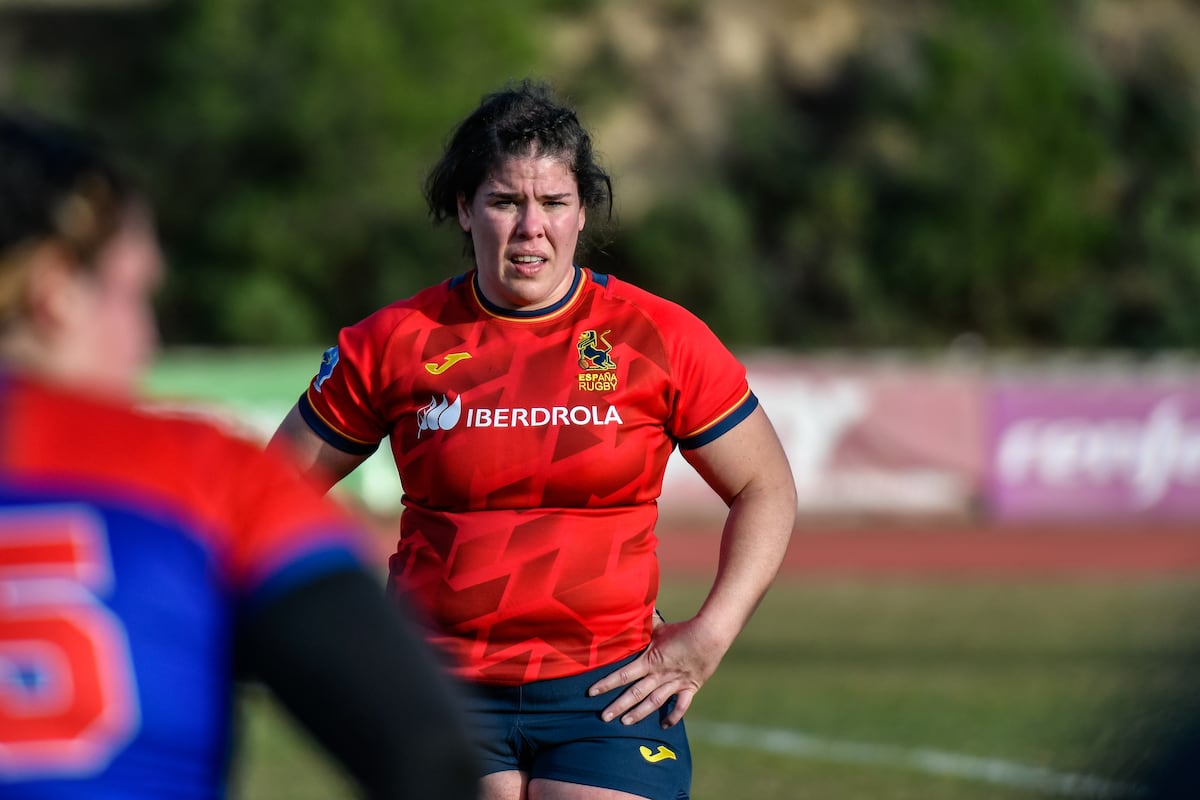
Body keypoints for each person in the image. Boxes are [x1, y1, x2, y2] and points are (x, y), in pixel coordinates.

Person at [270, 79, 798, 800]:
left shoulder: (658, 336)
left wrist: (712, 633)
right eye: (504, 202)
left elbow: (765, 486)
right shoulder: (395, 341)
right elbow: (271, 491)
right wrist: (345, 624)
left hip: (611, 692)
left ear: (581, 212)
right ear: (465, 208)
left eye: (552, 202)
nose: (530, 227)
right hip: (438, 687)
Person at [0, 111, 480, 799]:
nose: (145, 338)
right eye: (135, 294)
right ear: (54, 294)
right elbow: (428, 753)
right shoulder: (201, 474)